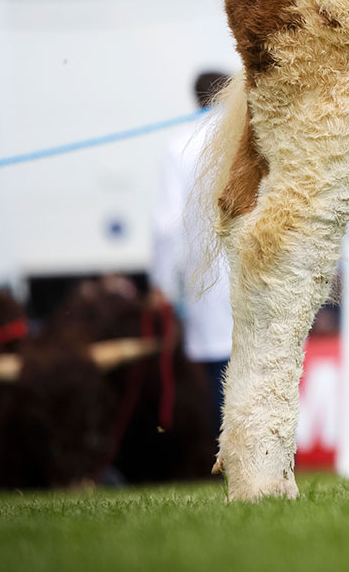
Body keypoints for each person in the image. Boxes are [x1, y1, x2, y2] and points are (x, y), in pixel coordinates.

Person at [147, 70, 232, 451]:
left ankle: (228, 458)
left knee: (218, 374)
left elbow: (166, 225)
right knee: (265, 367)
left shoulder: (180, 145)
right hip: (258, 274)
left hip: (207, 278)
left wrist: (160, 285)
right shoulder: (251, 136)